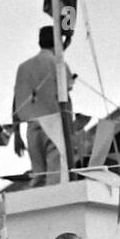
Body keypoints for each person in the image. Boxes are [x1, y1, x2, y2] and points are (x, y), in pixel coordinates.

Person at [12, 26, 75, 187]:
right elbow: (65, 97)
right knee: (55, 176)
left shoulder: (24, 67)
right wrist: (71, 128)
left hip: (33, 126)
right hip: (53, 123)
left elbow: (17, 100)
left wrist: (16, 133)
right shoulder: (59, 64)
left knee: (39, 175)